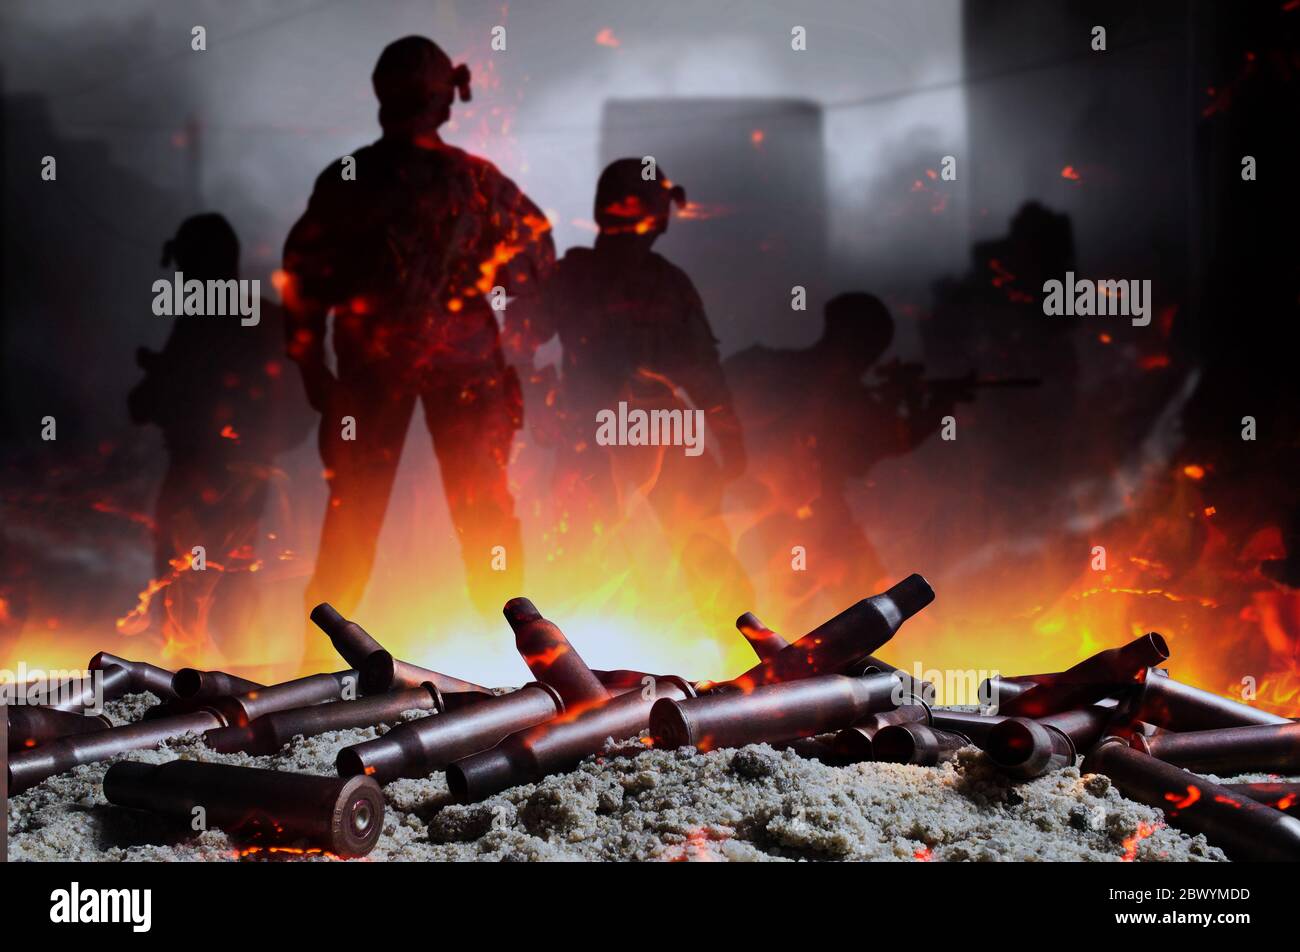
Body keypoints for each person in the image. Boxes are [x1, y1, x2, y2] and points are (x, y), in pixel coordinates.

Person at [281, 36, 555, 646]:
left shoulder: (350, 179)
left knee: (352, 515)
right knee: (484, 513)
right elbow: (537, 258)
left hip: (373, 366)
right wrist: (524, 347)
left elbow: (301, 276)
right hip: (463, 365)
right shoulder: (476, 182)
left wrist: (313, 368)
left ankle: (319, 661)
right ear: (442, 101)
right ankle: (524, 661)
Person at [505, 159, 751, 631]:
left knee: (696, 548)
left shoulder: (644, 280)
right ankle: (586, 668)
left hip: (641, 432)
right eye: (658, 205)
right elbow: (518, 348)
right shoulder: (581, 276)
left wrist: (729, 436)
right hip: (604, 436)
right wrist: (538, 404)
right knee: (590, 554)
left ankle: (737, 652)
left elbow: (702, 372)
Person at [128, 213, 308, 659]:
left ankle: (201, 687)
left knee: (201, 581)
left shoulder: (214, 320)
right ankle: (237, 685)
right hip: (236, 471)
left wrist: (156, 384)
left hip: (209, 471)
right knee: (216, 578)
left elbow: (157, 400)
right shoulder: (245, 316)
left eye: (187, 264)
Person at [726, 293, 966, 626]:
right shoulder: (782, 373)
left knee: (859, 592)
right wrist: (932, 409)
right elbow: (887, 439)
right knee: (766, 599)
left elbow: (881, 440)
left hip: (811, 511)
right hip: (771, 506)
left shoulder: (779, 369)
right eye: (865, 347)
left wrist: (915, 403)